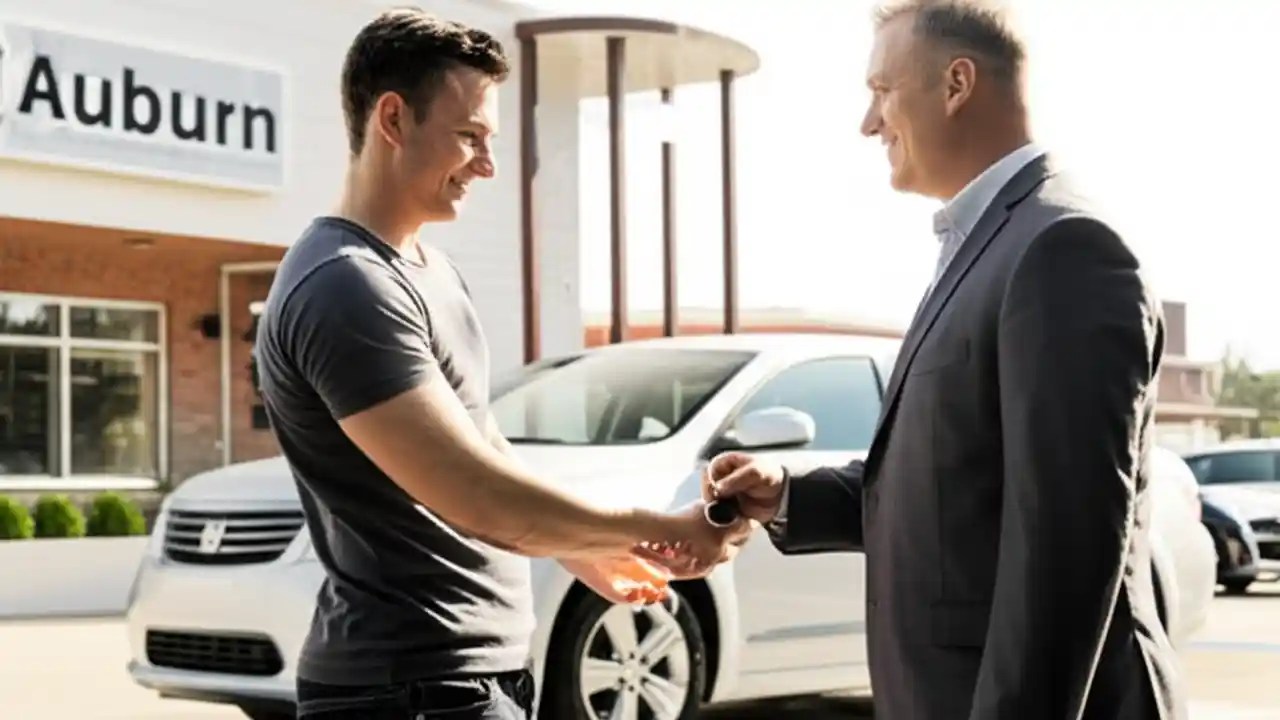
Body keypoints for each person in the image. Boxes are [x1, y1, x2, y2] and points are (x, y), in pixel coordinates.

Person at [698, 1, 1187, 719]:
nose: (869, 123)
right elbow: (954, 486)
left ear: (956, 84)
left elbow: (1063, 554)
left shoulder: (1064, 250)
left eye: (881, 91)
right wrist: (789, 495)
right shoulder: (991, 244)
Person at [253, 8, 745, 719]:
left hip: (469, 677)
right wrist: (650, 525)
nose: (487, 163)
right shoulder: (344, 286)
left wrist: (578, 548)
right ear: (393, 120)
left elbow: (484, 444)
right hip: (410, 688)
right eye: (469, 137)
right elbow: (472, 494)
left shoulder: (425, 269)